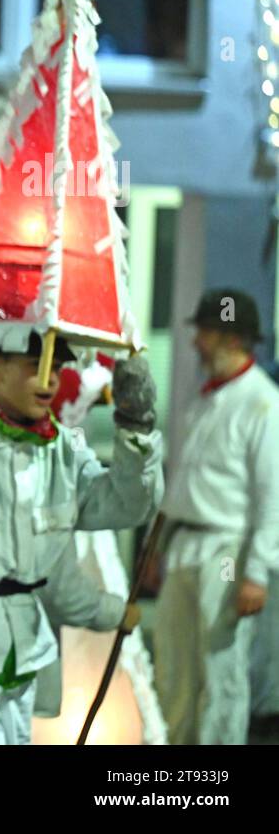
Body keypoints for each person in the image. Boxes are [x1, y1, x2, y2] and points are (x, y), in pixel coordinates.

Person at [0, 334, 163, 744]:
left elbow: (124, 506)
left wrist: (135, 424)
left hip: (27, 658)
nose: (49, 380)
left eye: (55, 368)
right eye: (34, 365)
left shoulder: (63, 452)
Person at [155, 288, 279, 744]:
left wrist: (257, 574)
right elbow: (183, 485)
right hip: (186, 546)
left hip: (226, 550)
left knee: (218, 666)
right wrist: (158, 546)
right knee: (174, 662)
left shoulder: (263, 404)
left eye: (205, 332)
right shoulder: (204, 400)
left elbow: (272, 497)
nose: (196, 342)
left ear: (231, 339)